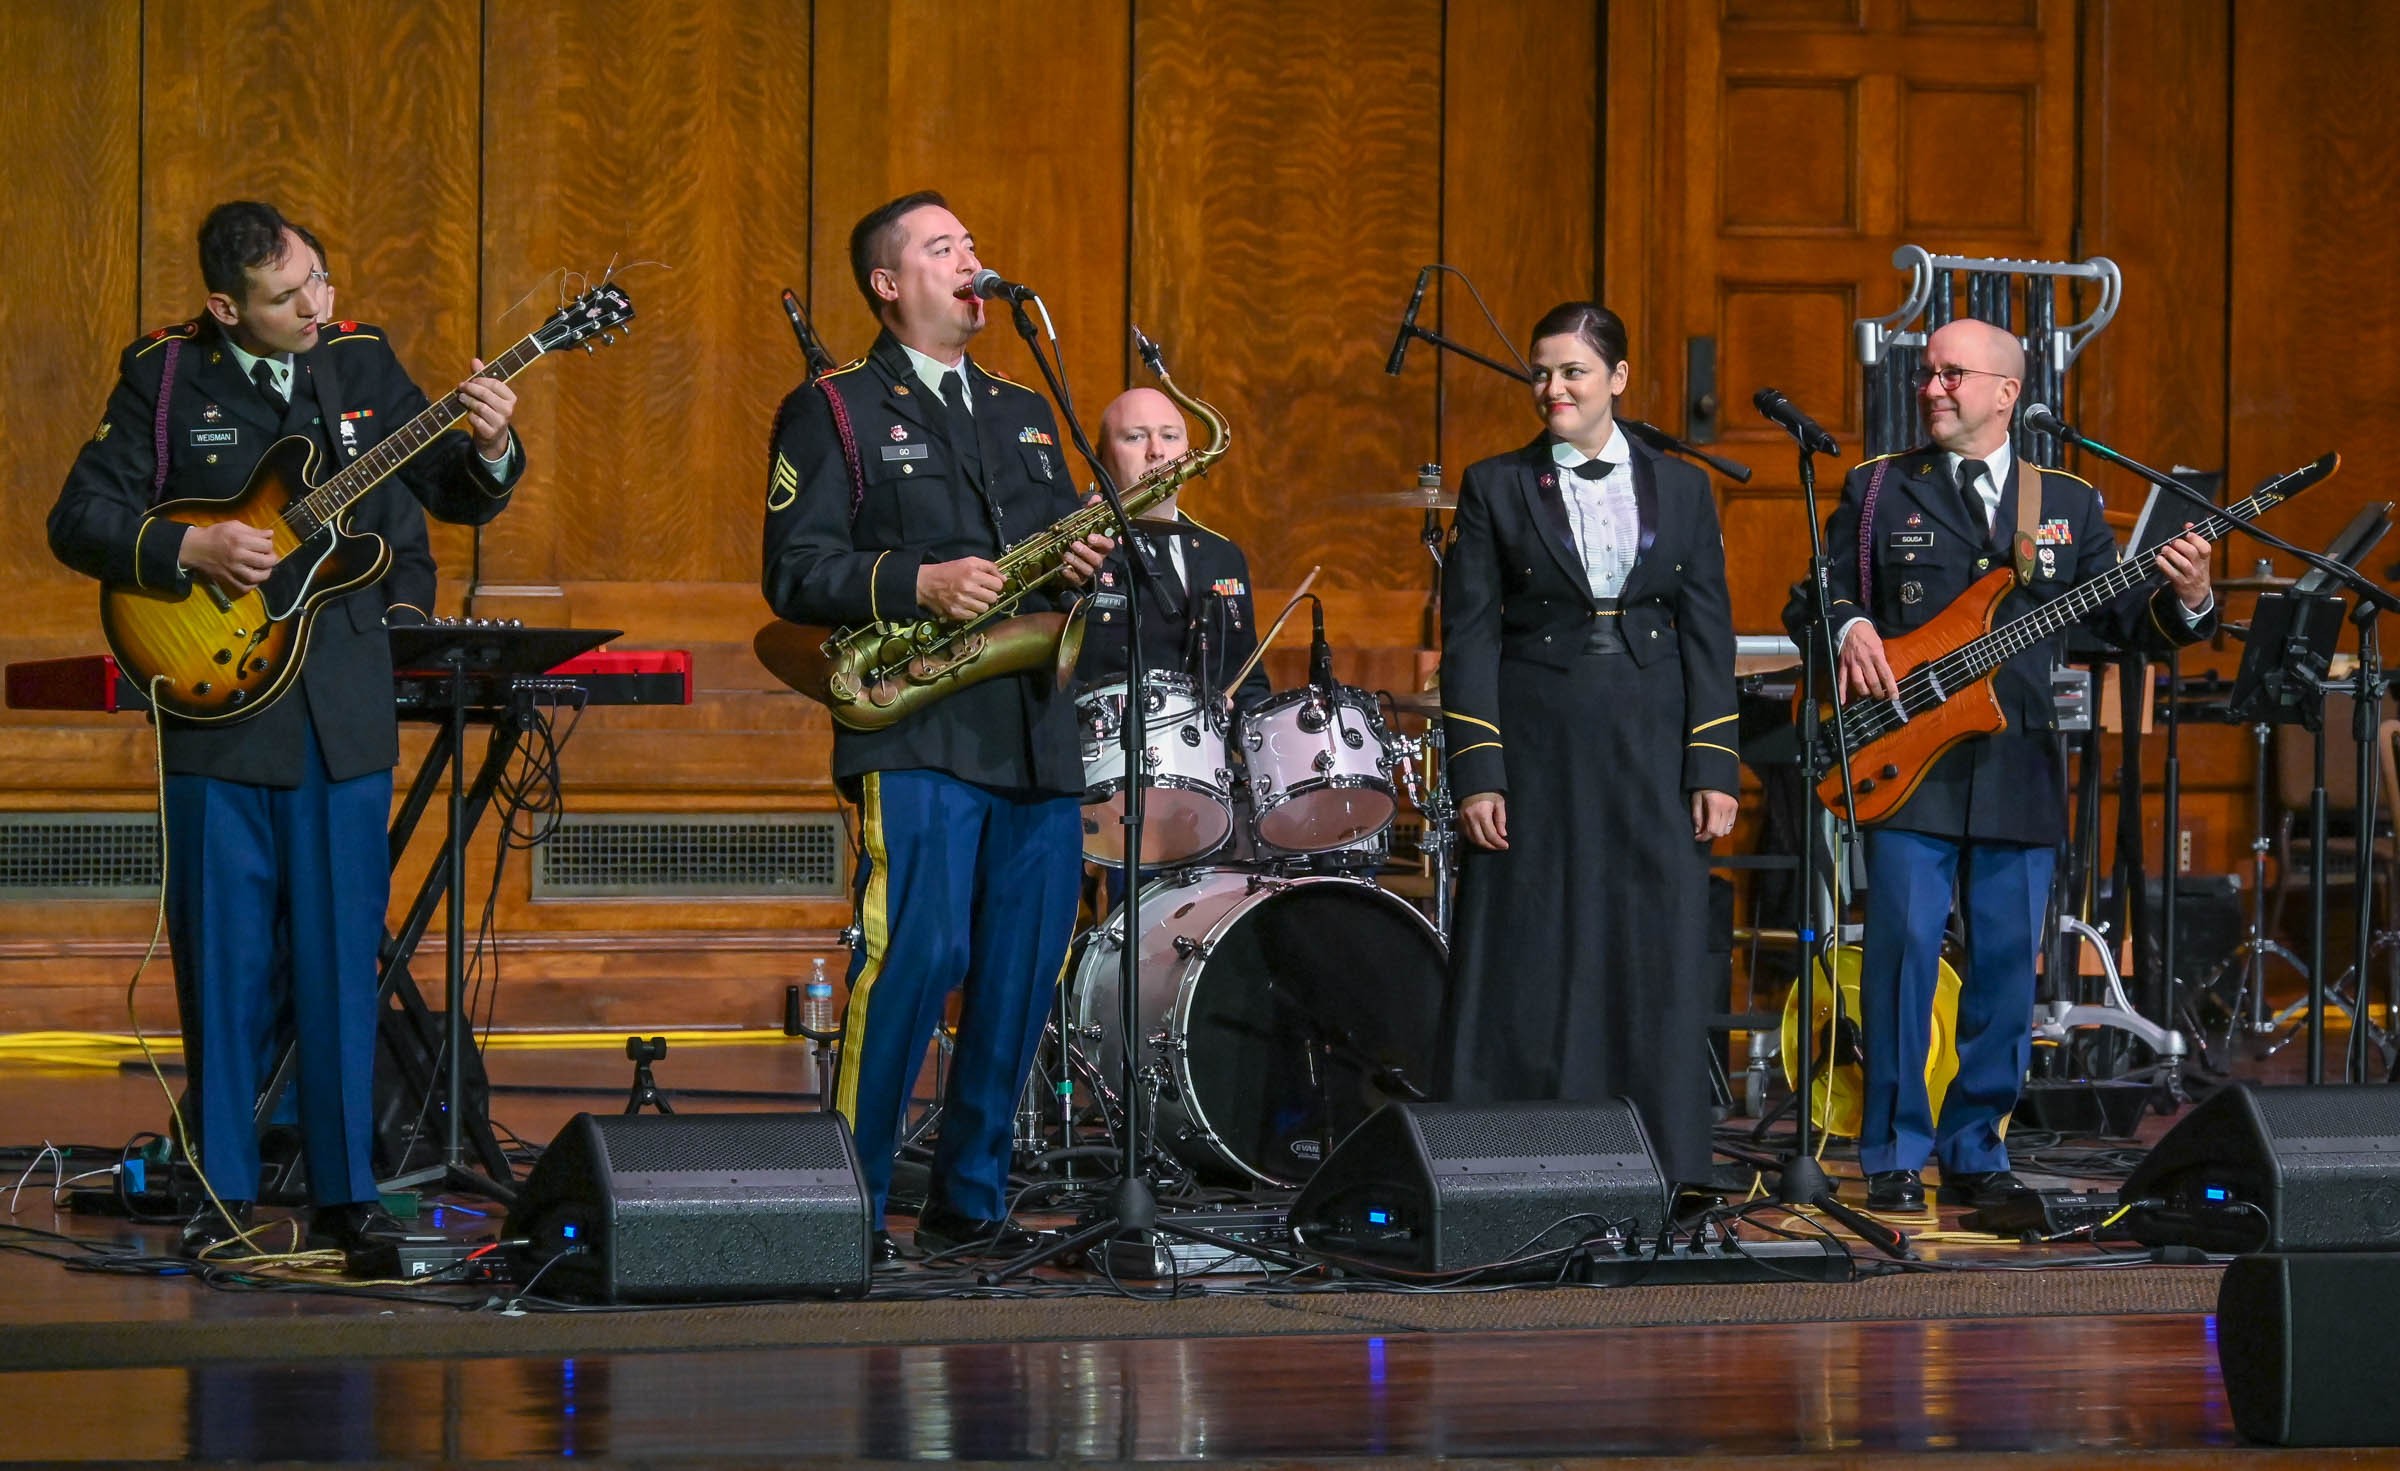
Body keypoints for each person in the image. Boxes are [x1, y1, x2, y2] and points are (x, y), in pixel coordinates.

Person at [50, 200, 523, 1256]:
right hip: (219, 716)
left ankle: (345, 1193)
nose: (317, 304)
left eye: (320, 279)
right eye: (287, 295)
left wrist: (490, 445)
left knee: (341, 960)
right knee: (221, 966)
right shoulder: (165, 377)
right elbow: (78, 517)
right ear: (226, 306)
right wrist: (192, 553)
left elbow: (451, 490)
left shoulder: (359, 362)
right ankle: (221, 1192)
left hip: (341, 713)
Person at [1783, 317, 2215, 1212]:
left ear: (2007, 392)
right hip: (1907, 766)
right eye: (1928, 373)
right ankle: (1894, 1153)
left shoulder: (2068, 501)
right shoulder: (1877, 489)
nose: (1932, 387)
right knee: (1901, 959)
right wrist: (1851, 623)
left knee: (2008, 972)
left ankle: (1978, 1149)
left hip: (2017, 764)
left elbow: (2118, 627)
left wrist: (2191, 597)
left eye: (1952, 374)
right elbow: (1816, 592)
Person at [761, 191, 1110, 1261]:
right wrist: (918, 578)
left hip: (1033, 726)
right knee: (917, 952)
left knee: (1019, 970)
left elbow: (1054, 553)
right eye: (944, 247)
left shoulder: (1021, 407)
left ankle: (972, 1199)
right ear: (887, 282)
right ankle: (849, 1205)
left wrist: (1083, 561)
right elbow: (794, 570)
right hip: (916, 727)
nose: (972, 260)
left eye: (971, 242)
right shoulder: (833, 408)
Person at [1436, 301, 1740, 1190]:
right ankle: (1510, 1157)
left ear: (1619, 378)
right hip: (1536, 736)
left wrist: (1712, 764)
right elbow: (1470, 638)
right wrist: (1479, 772)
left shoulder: (1682, 487)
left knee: (1651, 937)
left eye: (1571, 371)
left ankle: (1662, 1159)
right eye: (1541, 371)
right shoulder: (1495, 484)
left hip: (1650, 738)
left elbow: (1707, 636)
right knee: (1533, 935)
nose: (1552, 387)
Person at [1071, 385, 1272, 711]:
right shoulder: (1082, 549)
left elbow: (1247, 684)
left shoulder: (1224, 556)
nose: (1156, 451)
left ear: (1189, 452)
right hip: (1103, 753)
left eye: (1170, 436)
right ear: (1101, 457)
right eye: (1135, 437)